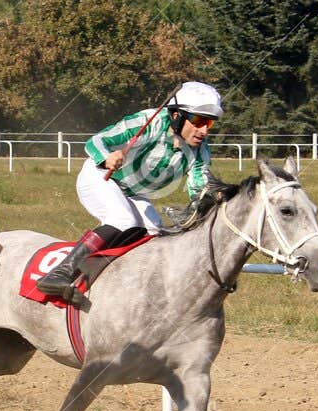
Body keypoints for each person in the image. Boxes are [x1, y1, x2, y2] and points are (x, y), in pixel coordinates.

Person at [35, 81, 222, 308]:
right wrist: (106, 157)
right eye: (199, 121)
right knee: (123, 220)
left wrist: (207, 203)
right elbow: (96, 141)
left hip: (133, 192)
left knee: (154, 236)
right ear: (176, 115)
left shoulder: (200, 150)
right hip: (101, 177)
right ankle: (59, 274)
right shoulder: (148, 121)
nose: (205, 130)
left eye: (209, 122)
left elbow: (199, 188)